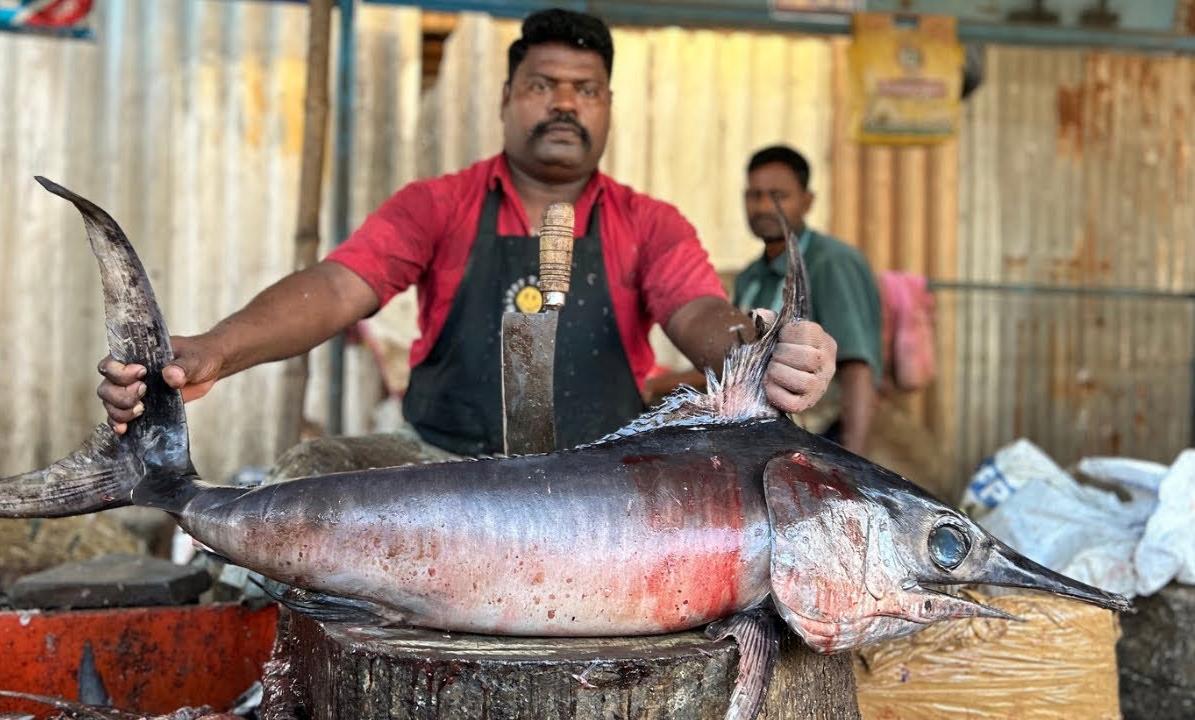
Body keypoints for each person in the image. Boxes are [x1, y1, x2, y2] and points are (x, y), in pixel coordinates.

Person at [98, 9, 838, 460]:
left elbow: (698, 313)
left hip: (602, 477)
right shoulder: (439, 204)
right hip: (441, 464)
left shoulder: (651, 224)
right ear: (506, 99)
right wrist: (216, 350)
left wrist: (762, 350)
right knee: (311, 471)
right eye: (543, 85)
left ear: (609, 107)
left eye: (585, 90)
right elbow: (336, 287)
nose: (564, 104)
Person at [734, 144, 882, 454]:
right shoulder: (750, 276)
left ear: (807, 201)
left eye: (778, 196)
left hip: (818, 440)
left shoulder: (831, 263)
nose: (763, 206)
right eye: (754, 195)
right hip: (759, 436)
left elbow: (857, 371)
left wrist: (850, 463)